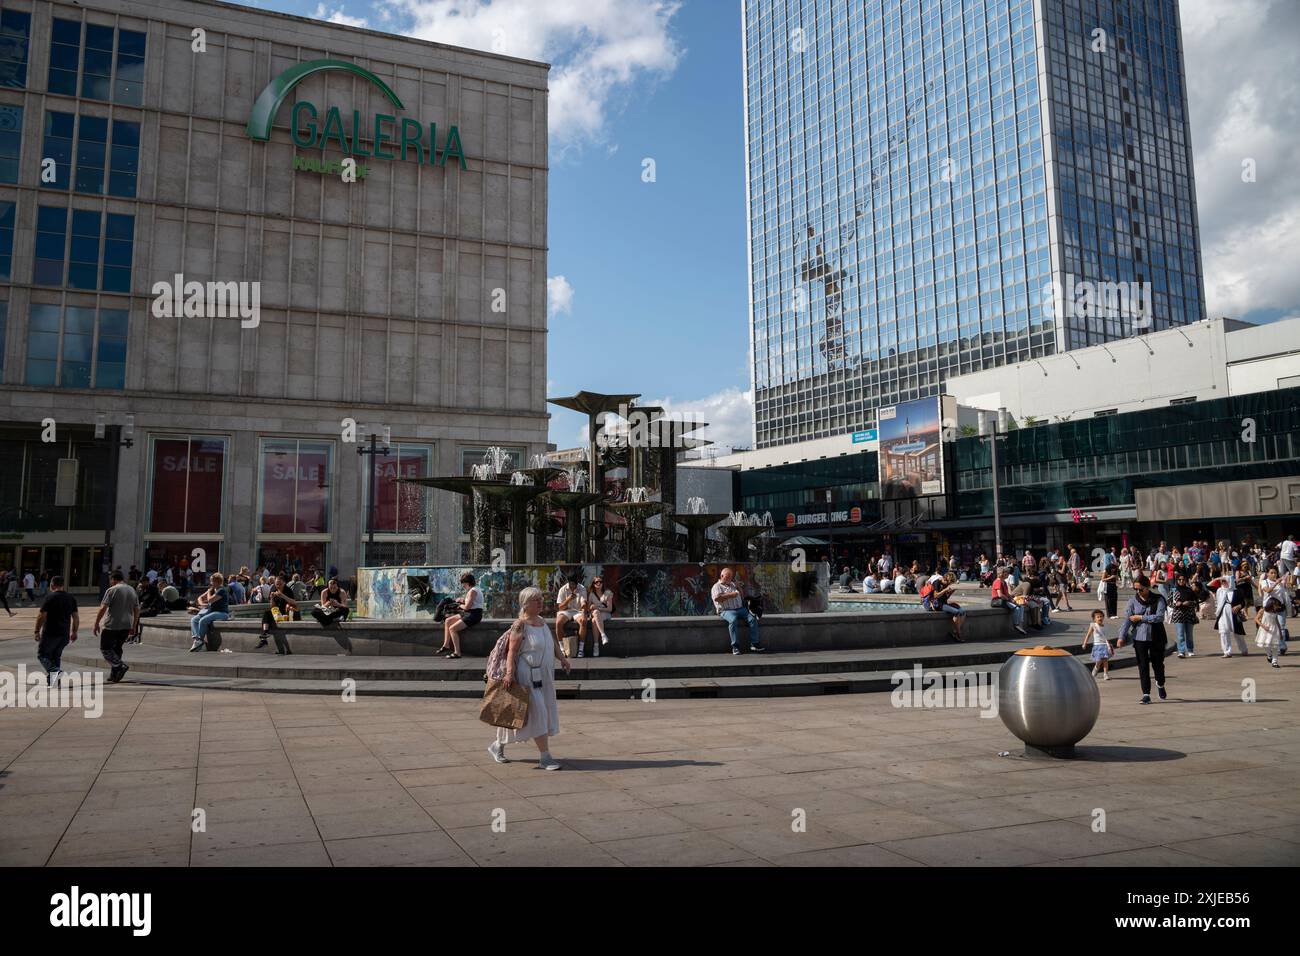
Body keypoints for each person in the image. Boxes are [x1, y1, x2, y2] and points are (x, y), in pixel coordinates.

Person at [488, 586, 569, 770]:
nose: (541, 602)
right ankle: (545, 757)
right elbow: (511, 652)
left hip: (544, 676)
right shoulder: (520, 625)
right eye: (536, 600)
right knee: (539, 712)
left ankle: (497, 745)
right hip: (526, 675)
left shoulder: (541, 620)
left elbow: (553, 642)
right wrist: (509, 673)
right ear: (525, 604)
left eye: (541, 599)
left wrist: (562, 658)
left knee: (525, 714)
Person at [1117, 576, 1169, 705]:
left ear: (1147, 587)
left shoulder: (1158, 599)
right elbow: (1127, 620)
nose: (1138, 592)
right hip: (1139, 637)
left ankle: (1160, 683)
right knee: (1143, 665)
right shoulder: (1132, 601)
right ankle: (1146, 694)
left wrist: (1141, 617)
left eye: (1140, 589)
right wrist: (1121, 636)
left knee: (1158, 664)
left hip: (1157, 636)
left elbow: (1159, 617)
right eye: (1136, 589)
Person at [93, 569, 139, 683]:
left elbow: (103, 608)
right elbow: (137, 609)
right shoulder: (132, 590)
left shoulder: (112, 590)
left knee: (105, 649)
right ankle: (114, 675)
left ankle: (119, 666)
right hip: (126, 624)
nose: (110, 582)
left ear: (113, 579)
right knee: (117, 649)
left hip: (112, 625)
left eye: (110, 580)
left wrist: (96, 623)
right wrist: (133, 625)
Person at [34, 575, 79, 685]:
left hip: (50, 632)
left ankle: (56, 672)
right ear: (63, 586)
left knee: (43, 655)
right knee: (56, 656)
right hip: (64, 633)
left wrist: (36, 631)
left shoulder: (50, 597)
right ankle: (54, 681)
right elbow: (76, 617)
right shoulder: (71, 598)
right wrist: (74, 632)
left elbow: (42, 615)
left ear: (52, 585)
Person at [711, 567, 764, 655]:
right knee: (733, 620)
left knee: (752, 618)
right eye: (727, 577)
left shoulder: (732, 584)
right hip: (726, 610)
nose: (729, 579)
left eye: (730, 577)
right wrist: (731, 595)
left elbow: (741, 596)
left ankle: (754, 644)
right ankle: (735, 647)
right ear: (722, 575)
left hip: (740, 609)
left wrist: (739, 588)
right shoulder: (717, 586)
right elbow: (717, 598)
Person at [437, 572, 483, 659]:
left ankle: (457, 653)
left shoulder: (473, 591)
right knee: (448, 621)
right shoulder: (474, 590)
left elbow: (467, 607)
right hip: (470, 613)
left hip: (473, 615)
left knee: (452, 629)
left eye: (463, 583)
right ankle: (446, 645)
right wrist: (461, 600)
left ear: (467, 583)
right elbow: (471, 602)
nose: (463, 586)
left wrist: (459, 605)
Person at [258, 576, 300, 653]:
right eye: (277, 584)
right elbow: (272, 606)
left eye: (280, 584)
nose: (278, 586)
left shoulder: (288, 590)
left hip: (286, 612)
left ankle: (287, 649)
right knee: (267, 613)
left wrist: (282, 596)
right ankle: (264, 635)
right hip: (277, 612)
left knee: (272, 615)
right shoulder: (273, 589)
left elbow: (294, 602)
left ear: (284, 583)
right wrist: (272, 598)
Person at [190, 572, 231, 651]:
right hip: (211, 612)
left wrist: (208, 592)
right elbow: (200, 597)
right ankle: (197, 639)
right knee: (194, 619)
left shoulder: (222, 590)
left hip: (222, 613)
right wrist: (203, 604)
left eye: (212, 581)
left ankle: (200, 641)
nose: (210, 583)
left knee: (203, 620)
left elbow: (210, 600)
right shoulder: (213, 589)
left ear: (217, 581)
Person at [1169, 570, 1200, 659]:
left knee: (1189, 634)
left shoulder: (1189, 590)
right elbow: (1169, 601)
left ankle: (1190, 650)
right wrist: (1176, 604)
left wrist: (1189, 603)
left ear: (1186, 580)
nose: (1181, 581)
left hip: (1189, 615)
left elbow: (1196, 602)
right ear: (1177, 580)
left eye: (1183, 579)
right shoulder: (1173, 590)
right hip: (1178, 615)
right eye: (1179, 580)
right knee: (1180, 634)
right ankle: (1181, 651)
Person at [583, 575, 614, 654]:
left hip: (606, 614)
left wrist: (597, 608)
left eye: (600, 582)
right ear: (593, 584)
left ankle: (596, 646)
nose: (599, 583)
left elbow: (609, 609)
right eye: (597, 582)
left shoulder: (608, 593)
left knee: (594, 619)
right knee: (594, 618)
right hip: (596, 614)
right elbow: (588, 609)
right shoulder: (591, 595)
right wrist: (591, 607)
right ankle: (602, 636)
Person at [554, 574, 587, 647]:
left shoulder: (582, 588)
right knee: (558, 622)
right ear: (568, 582)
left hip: (578, 611)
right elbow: (560, 607)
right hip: (565, 611)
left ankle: (581, 648)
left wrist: (584, 612)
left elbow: (583, 603)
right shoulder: (563, 589)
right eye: (571, 583)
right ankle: (562, 647)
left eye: (575, 583)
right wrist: (568, 599)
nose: (573, 586)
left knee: (583, 621)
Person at [991, 567, 1026, 634]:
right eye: (1006, 573)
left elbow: (1007, 594)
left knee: (1021, 606)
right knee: (1016, 608)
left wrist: (1012, 599)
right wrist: (1010, 600)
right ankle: (1016, 625)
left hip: (1005, 600)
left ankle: (1021, 624)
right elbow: (1000, 595)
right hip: (998, 600)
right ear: (1001, 574)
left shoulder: (1004, 582)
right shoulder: (998, 582)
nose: (1008, 574)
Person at [1255, 597, 1284, 668]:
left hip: (1274, 629)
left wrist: (1280, 632)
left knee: (1275, 646)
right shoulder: (1263, 610)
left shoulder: (1275, 612)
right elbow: (1256, 619)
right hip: (1265, 630)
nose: (1277, 607)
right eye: (1276, 605)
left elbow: (1277, 622)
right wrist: (1263, 626)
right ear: (1272, 603)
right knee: (1266, 645)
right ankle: (1269, 655)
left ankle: (1274, 662)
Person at [1082, 609, 1112, 680]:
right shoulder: (1093, 626)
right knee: (1098, 661)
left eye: (1101, 616)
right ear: (1094, 619)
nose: (1100, 618)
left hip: (1104, 645)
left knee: (1105, 661)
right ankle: (1095, 669)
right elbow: (1088, 635)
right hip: (1097, 646)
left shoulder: (1105, 626)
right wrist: (1084, 643)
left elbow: (1105, 636)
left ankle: (1106, 674)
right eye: (1098, 617)